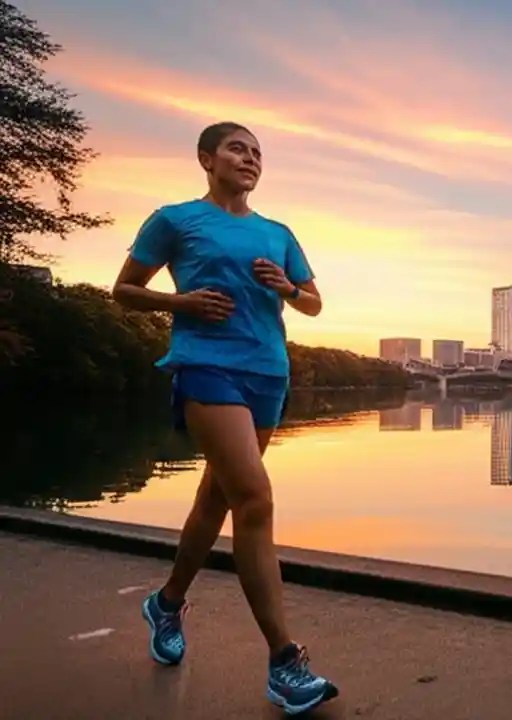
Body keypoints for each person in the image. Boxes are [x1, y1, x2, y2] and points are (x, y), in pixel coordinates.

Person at [111, 121, 338, 716]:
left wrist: (289, 287)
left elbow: (314, 303)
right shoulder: (176, 220)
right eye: (238, 148)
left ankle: (166, 603)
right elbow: (125, 290)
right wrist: (180, 302)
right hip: (207, 366)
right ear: (206, 158)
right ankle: (284, 662)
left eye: (258, 152)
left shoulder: (277, 231)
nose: (251, 159)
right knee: (255, 499)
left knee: (217, 499)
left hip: (268, 373)